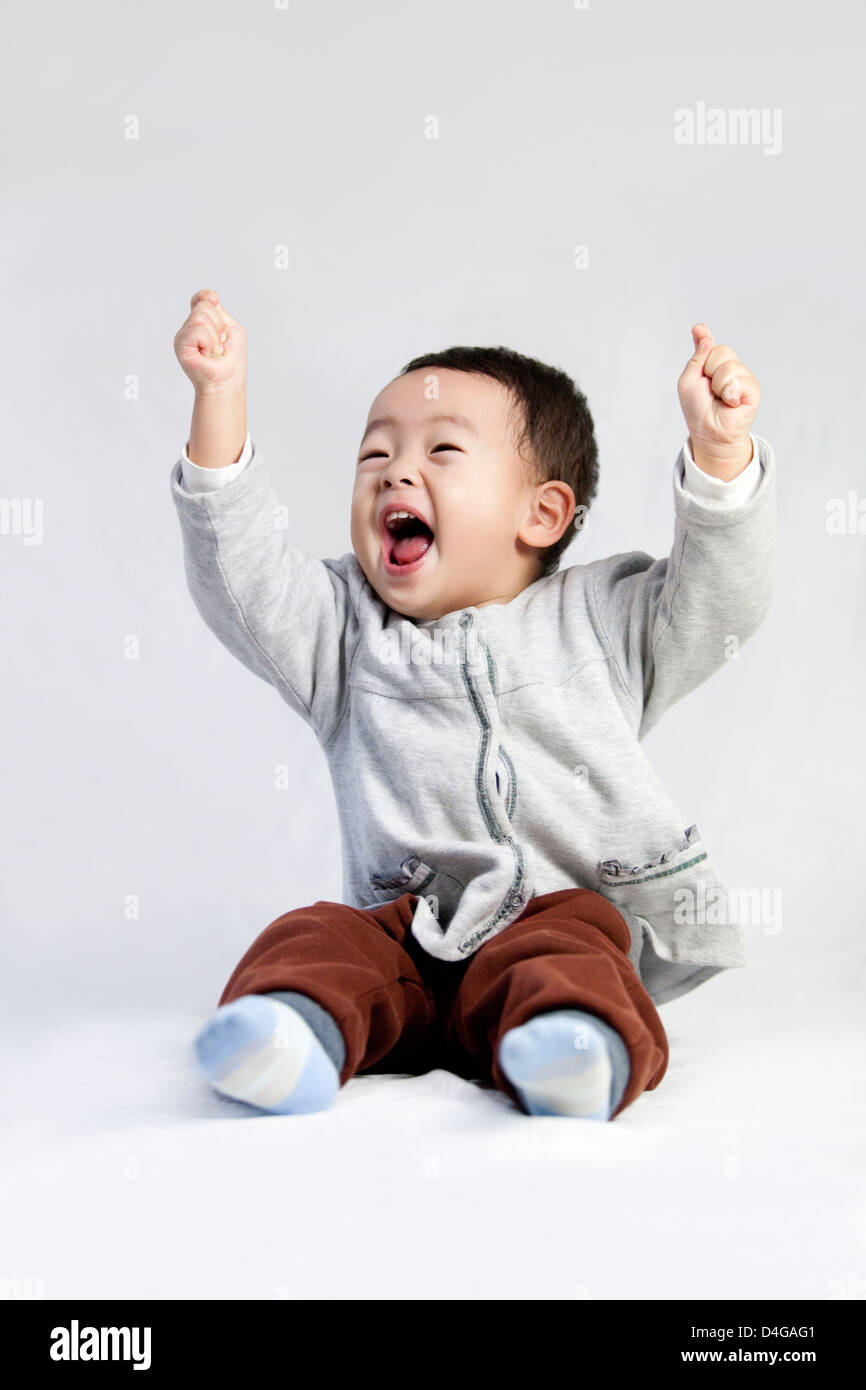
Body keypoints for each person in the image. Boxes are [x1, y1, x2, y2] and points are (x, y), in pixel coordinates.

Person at [170, 289, 775, 1121]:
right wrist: (220, 404)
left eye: (442, 449)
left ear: (543, 512)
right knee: (315, 935)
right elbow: (241, 580)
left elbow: (721, 602)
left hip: (555, 921)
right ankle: (291, 1032)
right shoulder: (341, 634)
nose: (396, 471)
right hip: (404, 942)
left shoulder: (601, 622)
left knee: (573, 946)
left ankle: (571, 1046)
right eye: (373, 456)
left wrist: (719, 459)